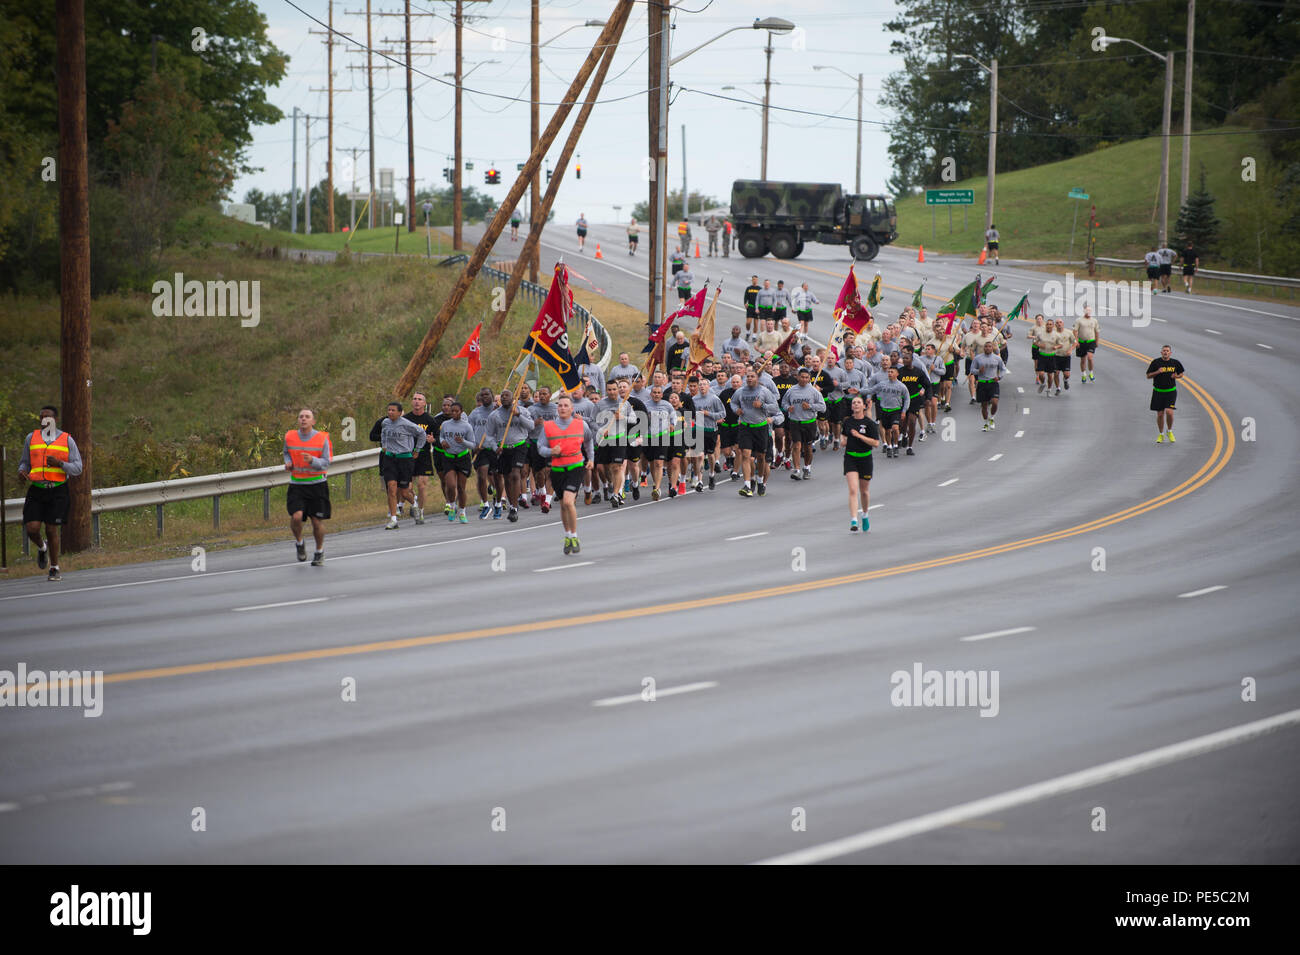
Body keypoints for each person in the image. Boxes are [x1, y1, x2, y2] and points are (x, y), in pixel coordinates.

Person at [18, 403, 84, 581]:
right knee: (32, 529)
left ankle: (54, 568)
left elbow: (78, 468)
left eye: (47, 417)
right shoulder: (31, 438)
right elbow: (24, 462)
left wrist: (60, 464)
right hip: (37, 490)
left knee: (51, 529)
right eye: (41, 417)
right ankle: (42, 548)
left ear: (55, 419)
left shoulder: (67, 439)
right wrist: (22, 472)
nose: (44, 420)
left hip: (57, 491)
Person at [536, 394, 594, 555]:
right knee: (563, 504)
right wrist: (550, 451)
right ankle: (567, 535)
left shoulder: (580, 425)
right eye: (560, 405)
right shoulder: (548, 426)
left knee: (569, 502)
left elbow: (589, 441)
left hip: (575, 466)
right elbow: (540, 447)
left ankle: (574, 536)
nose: (562, 408)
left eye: (565, 405)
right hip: (557, 470)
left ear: (571, 408)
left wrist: (591, 459)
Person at [283, 409, 331, 566]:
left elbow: (326, 462)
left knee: (317, 522)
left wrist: (312, 461)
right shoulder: (289, 436)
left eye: (307, 417)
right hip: (297, 485)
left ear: (313, 421)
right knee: (296, 517)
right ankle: (299, 543)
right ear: (298, 420)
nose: (303, 419)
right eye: (301, 417)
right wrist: (288, 462)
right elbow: (286, 453)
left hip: (317, 484)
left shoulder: (322, 438)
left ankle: (319, 552)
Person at [486, 390, 535, 522]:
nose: (504, 397)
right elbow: (489, 435)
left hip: (519, 446)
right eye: (502, 396)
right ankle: (512, 503)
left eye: (507, 395)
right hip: (503, 449)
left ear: (513, 398)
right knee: (507, 478)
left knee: (515, 474)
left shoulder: (522, 411)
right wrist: (495, 447)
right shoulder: (494, 415)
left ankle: (514, 507)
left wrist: (518, 415)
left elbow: (531, 426)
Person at [730, 369, 780, 498]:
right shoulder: (740, 391)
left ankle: (760, 482)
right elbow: (733, 402)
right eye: (748, 376)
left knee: (761, 457)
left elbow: (775, 408)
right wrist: (737, 410)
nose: (750, 379)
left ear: (757, 378)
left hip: (761, 427)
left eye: (752, 376)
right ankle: (747, 485)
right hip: (745, 427)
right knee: (746, 455)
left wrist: (762, 405)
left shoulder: (764, 391)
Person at [378, 402, 428, 529]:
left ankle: (414, 504)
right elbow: (383, 433)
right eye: (389, 410)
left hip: (405, 459)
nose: (390, 412)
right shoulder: (385, 422)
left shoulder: (407, 424)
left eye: (393, 410)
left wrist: (417, 450)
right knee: (391, 488)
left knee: (405, 492)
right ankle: (393, 519)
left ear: (400, 413)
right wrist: (384, 445)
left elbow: (422, 434)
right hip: (390, 458)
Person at [842, 395, 880, 532]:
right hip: (850, 458)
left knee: (864, 491)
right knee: (853, 489)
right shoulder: (847, 422)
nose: (856, 404)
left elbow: (876, 443)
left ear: (864, 406)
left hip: (865, 458)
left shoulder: (869, 423)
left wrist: (859, 436)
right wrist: (843, 441)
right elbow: (844, 437)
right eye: (854, 403)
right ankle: (853, 520)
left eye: (858, 402)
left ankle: (865, 514)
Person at [781, 367, 825, 480]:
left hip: (809, 423)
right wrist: (787, 408)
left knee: (808, 447)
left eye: (807, 378)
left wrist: (810, 406)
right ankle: (797, 470)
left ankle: (807, 467)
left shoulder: (814, 391)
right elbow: (784, 402)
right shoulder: (791, 390)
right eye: (802, 377)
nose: (804, 379)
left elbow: (823, 407)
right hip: (795, 422)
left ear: (809, 379)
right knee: (796, 446)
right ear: (797, 377)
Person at [404, 392, 440, 524]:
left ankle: (421, 511)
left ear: (424, 403)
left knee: (422, 485)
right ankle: (414, 502)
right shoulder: (406, 419)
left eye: (419, 399)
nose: (416, 401)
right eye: (414, 399)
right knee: (407, 488)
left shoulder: (430, 420)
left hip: (424, 455)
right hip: (408, 455)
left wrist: (433, 439)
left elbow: (438, 437)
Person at [468, 387, 503, 519]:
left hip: (495, 448)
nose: (485, 397)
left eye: (487, 394)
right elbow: (468, 429)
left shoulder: (499, 411)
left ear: (492, 396)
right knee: (482, 475)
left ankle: (499, 504)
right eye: (482, 395)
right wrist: (473, 445)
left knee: (497, 477)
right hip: (480, 449)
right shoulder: (475, 412)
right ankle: (485, 504)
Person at [438, 401, 474, 523]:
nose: (453, 413)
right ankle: (452, 506)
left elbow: (473, 444)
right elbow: (441, 436)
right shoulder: (445, 424)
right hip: (448, 457)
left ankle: (462, 511)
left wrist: (463, 441)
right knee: (451, 485)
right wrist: (442, 442)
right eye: (452, 411)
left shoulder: (466, 426)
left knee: (461, 487)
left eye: (456, 411)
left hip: (462, 457)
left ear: (461, 412)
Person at [867, 364, 910, 458]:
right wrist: (860, 392)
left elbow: (907, 398)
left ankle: (895, 446)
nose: (889, 373)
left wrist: (904, 411)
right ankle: (889, 447)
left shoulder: (901, 386)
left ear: (897, 374)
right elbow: (871, 390)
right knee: (887, 430)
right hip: (884, 410)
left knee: (895, 428)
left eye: (892, 372)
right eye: (889, 372)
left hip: (896, 410)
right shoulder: (883, 384)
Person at [1147, 344, 1184, 443]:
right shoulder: (1156, 362)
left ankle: (1170, 431)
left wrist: (1176, 376)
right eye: (1164, 351)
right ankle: (1161, 434)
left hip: (1170, 392)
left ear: (1170, 353)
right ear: (1161, 352)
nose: (1165, 352)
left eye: (1167, 351)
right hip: (1158, 392)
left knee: (1169, 412)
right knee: (1160, 414)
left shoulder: (1175, 363)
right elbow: (1148, 375)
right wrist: (1157, 372)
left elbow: (1181, 374)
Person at [970, 341, 1007, 431]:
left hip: (993, 383)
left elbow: (1003, 369)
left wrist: (999, 377)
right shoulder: (978, 358)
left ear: (992, 348)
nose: (988, 348)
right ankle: (986, 422)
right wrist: (979, 371)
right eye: (986, 346)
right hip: (982, 383)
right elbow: (972, 370)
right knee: (984, 405)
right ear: (984, 348)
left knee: (994, 402)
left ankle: (992, 418)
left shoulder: (997, 358)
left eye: (989, 346)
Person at [1073, 307, 1100, 383]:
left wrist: (1097, 341)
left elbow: (1097, 331)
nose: (1088, 312)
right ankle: (1083, 374)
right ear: (1084, 311)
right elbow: (1075, 331)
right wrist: (1076, 341)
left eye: (1089, 310)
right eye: (1086, 310)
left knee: (1090, 358)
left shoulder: (1094, 320)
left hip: (1091, 341)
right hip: (1081, 342)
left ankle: (1091, 373)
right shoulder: (1079, 320)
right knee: (1083, 360)